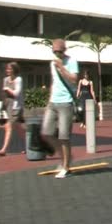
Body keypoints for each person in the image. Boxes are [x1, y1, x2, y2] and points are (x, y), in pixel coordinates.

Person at [41, 38, 79, 179]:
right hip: (53, 102)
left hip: (66, 102)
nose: (57, 54)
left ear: (64, 50)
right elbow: (54, 82)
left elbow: (74, 79)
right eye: (55, 52)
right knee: (47, 132)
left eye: (60, 52)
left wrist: (61, 68)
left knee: (64, 136)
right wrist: (48, 101)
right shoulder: (52, 63)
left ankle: (66, 166)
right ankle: (65, 158)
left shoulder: (71, 61)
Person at [0, 62, 24, 156]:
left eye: (9, 69)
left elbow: (17, 93)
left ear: (14, 70)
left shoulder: (18, 79)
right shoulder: (6, 79)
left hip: (16, 106)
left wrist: (7, 89)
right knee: (18, 127)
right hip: (8, 105)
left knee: (8, 126)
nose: (7, 71)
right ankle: (29, 145)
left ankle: (4, 149)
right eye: (7, 69)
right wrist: (3, 106)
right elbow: (4, 94)